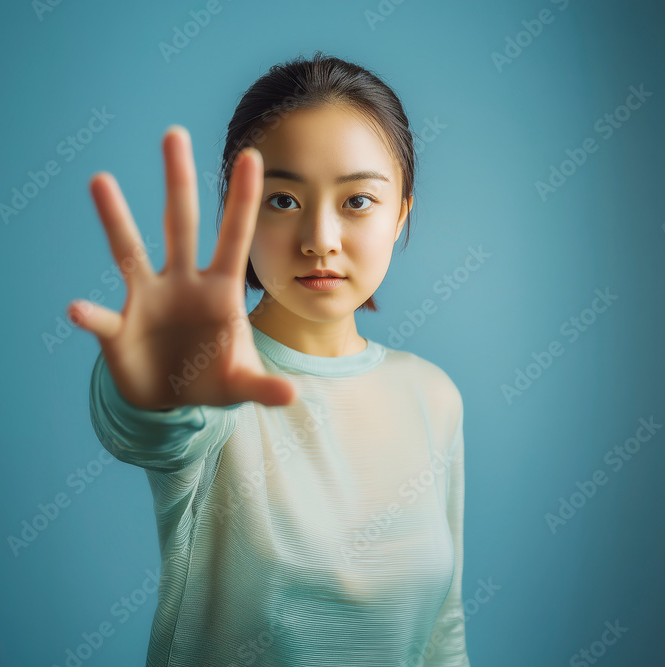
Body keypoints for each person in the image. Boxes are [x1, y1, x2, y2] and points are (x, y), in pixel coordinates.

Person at [68, 51, 470, 667]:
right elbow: (155, 425)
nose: (320, 239)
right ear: (239, 211)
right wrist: (156, 383)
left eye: (357, 201)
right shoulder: (218, 377)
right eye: (282, 200)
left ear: (401, 215)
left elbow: (442, 635)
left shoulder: (432, 396)